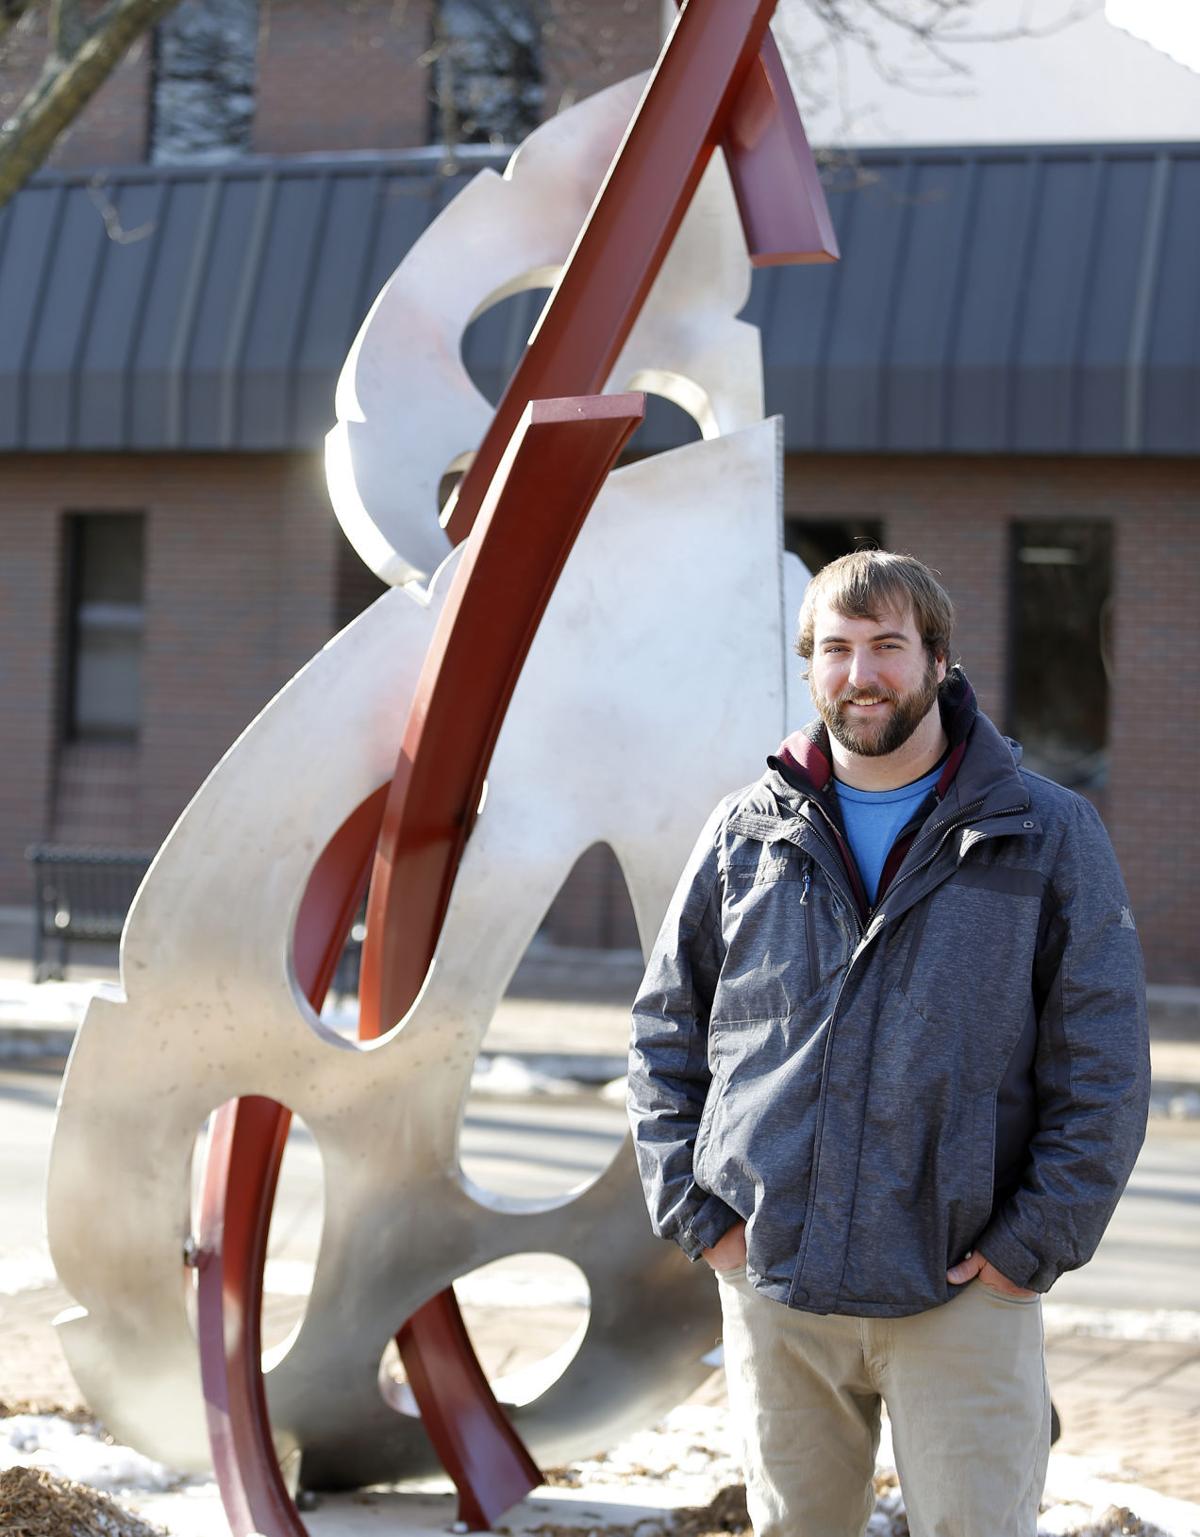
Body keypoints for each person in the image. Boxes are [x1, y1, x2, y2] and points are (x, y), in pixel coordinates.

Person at [627, 549, 1149, 1537]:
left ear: (939, 662)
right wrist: (708, 1222)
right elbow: (666, 1036)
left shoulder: (1046, 833)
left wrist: (1024, 1248)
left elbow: (1105, 1072)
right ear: (810, 665)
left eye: (887, 647)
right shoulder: (747, 832)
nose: (860, 674)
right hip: (779, 1286)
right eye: (835, 648)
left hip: (963, 1294)